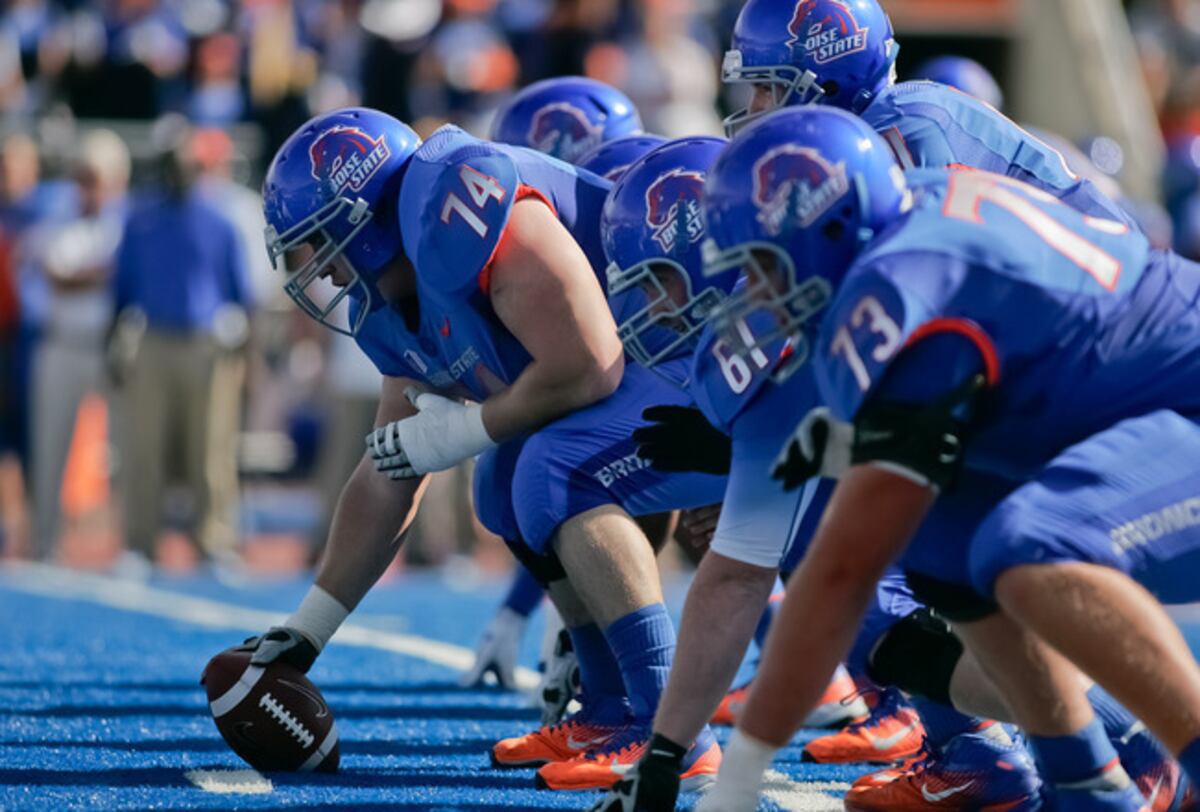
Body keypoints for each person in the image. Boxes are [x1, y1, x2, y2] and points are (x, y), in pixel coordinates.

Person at [698, 105, 1200, 811]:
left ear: (824, 226)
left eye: (760, 265)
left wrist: (739, 778)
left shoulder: (895, 285)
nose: (756, 293)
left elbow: (841, 575)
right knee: (942, 540)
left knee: (1032, 545)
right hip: (1148, 406)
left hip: (1181, 410)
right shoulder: (914, 208)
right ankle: (1086, 787)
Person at [241, 106, 726, 793]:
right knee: (502, 484)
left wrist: (471, 429)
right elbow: (390, 467)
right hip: (651, 378)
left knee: (552, 470)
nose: (321, 267)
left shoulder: (460, 203)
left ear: (366, 217)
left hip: (716, 362)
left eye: (321, 239)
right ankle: (609, 707)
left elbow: (590, 365)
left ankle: (671, 731)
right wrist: (310, 628)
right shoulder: (389, 304)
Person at [587, 130, 1039, 812]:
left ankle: (1121, 747)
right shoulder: (785, 337)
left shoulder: (915, 272)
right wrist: (669, 755)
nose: (650, 309)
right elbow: (736, 577)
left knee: (943, 571)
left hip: (1126, 414)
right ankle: (1046, 750)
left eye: (658, 281)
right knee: (868, 593)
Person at [111, 125, 252, 574]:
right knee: (143, 448)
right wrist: (111, 346)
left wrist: (247, 355)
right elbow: (121, 289)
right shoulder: (140, 219)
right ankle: (139, 542)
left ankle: (214, 539)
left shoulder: (220, 221)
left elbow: (240, 295)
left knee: (211, 449)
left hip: (205, 345)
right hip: (152, 341)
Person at [29, 129, 129, 560]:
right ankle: (43, 542)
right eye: (82, 177)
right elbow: (60, 277)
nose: (87, 187)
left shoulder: (128, 223)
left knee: (126, 448)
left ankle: (127, 544)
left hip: (112, 346)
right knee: (50, 446)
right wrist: (104, 274)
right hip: (63, 343)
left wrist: (100, 275)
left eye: (95, 178)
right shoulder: (57, 218)